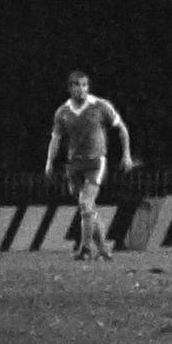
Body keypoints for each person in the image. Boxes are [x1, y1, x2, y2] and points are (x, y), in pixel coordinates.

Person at [42, 71, 134, 261]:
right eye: (77, 85)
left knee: (85, 203)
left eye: (84, 85)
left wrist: (126, 155)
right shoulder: (63, 112)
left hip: (95, 162)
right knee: (88, 207)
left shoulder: (100, 106)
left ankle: (85, 249)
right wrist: (49, 161)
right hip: (74, 164)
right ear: (70, 88)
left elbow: (122, 129)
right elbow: (56, 138)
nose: (81, 89)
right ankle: (104, 249)